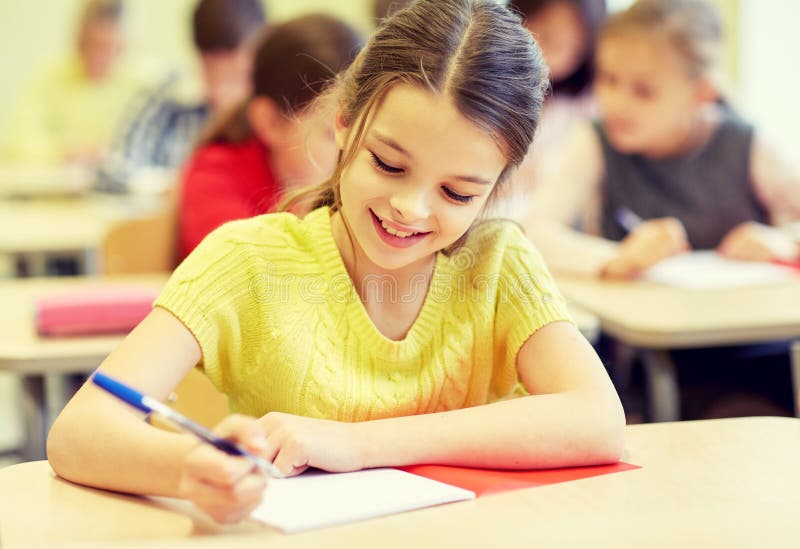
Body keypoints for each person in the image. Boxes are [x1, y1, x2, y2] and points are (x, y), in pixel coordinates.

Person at [48, 0, 625, 525]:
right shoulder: (248, 260)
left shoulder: (498, 263)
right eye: (389, 165)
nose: (410, 208)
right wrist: (188, 469)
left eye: (457, 193)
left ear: (497, 186)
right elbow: (79, 431)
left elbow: (598, 421)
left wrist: (359, 444)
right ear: (344, 122)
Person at [525, 0, 800, 278]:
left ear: (701, 93)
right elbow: (534, 230)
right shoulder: (593, 140)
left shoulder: (747, 144)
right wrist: (617, 258)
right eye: (608, 79)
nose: (616, 103)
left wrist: (785, 241)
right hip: (631, 305)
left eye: (644, 91)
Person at [178, 14, 364, 259]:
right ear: (270, 122)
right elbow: (242, 267)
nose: (350, 150)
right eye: (330, 134)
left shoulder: (353, 184)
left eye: (360, 134)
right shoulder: (215, 174)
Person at [96, 0, 267, 193]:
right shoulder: (167, 94)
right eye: (209, 70)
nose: (220, 91)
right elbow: (116, 165)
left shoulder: (271, 112)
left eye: (234, 75)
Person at [1, 0, 146, 167]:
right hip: (54, 179)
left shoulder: (146, 83)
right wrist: (63, 152)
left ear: (125, 46)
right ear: (78, 40)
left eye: (106, 47)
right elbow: (18, 140)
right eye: (90, 45)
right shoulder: (50, 77)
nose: (97, 56)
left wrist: (109, 153)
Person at [502, 0, 605, 207]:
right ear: (518, 17)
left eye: (574, 49)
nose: (557, 56)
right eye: (548, 37)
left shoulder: (582, 109)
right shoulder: (487, 83)